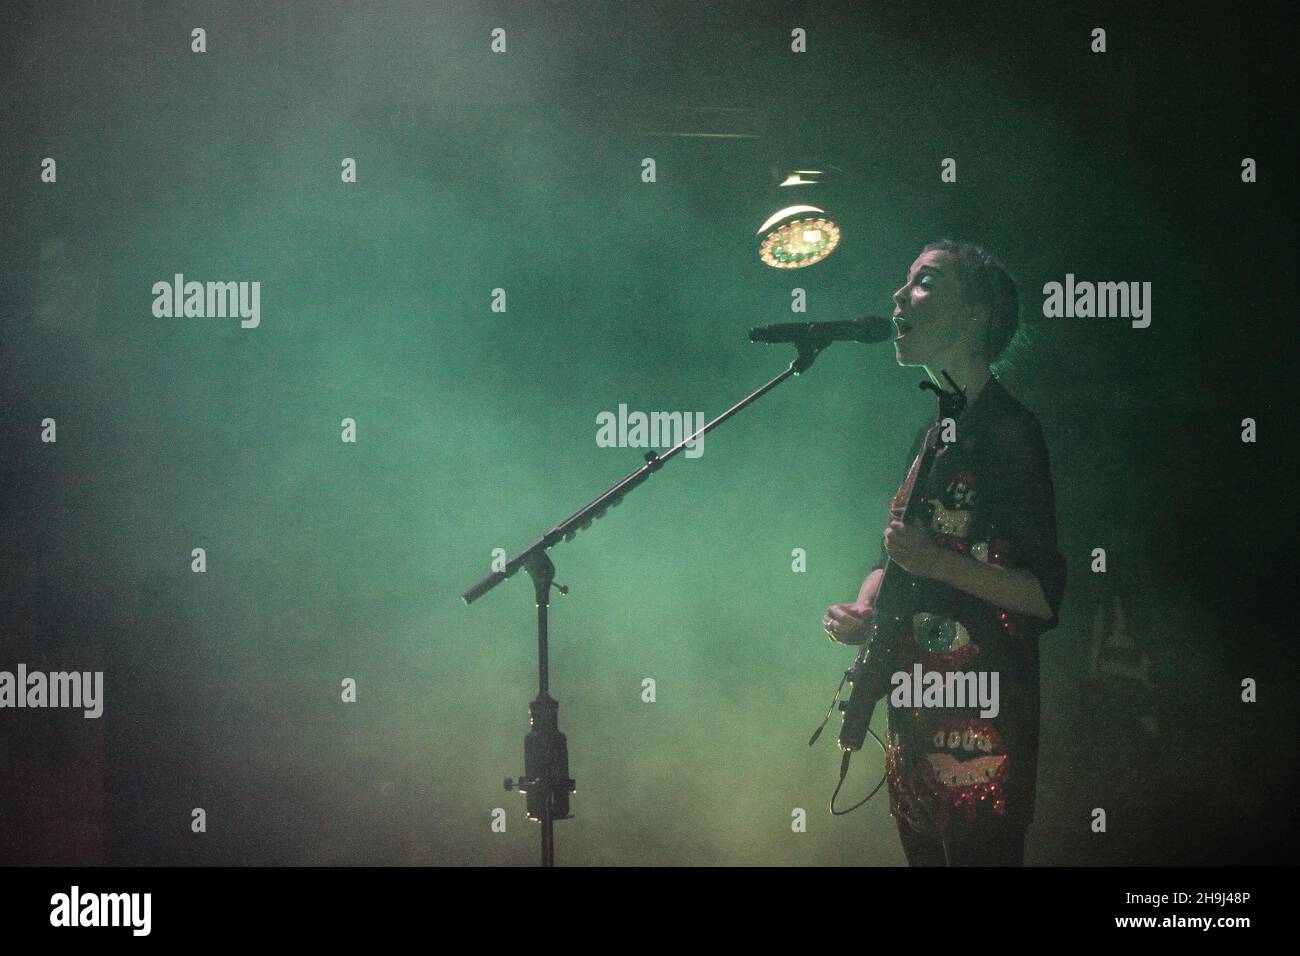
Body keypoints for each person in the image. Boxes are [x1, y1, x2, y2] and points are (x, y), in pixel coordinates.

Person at [822, 240, 1066, 866]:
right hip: (912, 726)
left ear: (976, 314)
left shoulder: (1011, 432)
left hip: (979, 741)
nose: (899, 298)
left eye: (925, 283)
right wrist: (866, 605)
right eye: (905, 284)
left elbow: (1041, 595)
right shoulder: (931, 433)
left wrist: (937, 564)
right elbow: (895, 558)